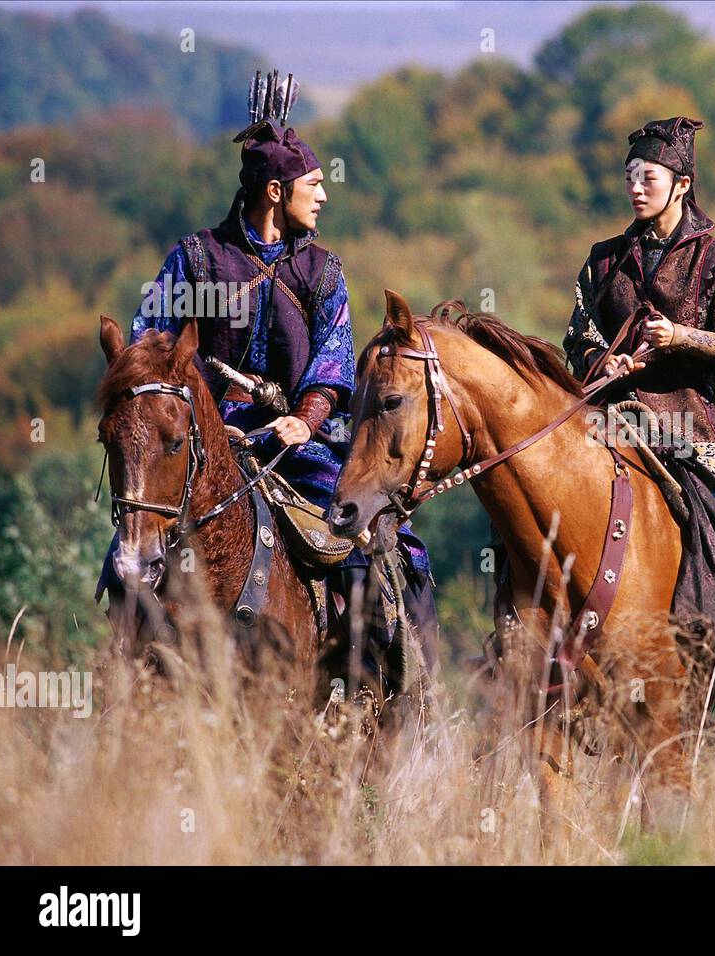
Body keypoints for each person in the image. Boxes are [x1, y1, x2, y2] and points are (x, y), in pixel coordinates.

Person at [97, 71, 438, 692]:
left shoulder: (322, 272)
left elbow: (334, 364)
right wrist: (195, 416)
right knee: (134, 538)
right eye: (315, 185)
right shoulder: (195, 260)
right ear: (276, 191)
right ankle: (122, 678)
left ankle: (370, 684)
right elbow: (149, 350)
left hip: (302, 441)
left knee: (372, 532)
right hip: (202, 441)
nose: (324, 198)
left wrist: (301, 420)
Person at [562, 116, 715, 700]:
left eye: (649, 177)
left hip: (689, 425)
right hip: (609, 419)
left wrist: (685, 339)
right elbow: (577, 338)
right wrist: (602, 363)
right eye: (629, 177)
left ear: (682, 184)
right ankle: (524, 628)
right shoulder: (602, 261)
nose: (636, 187)